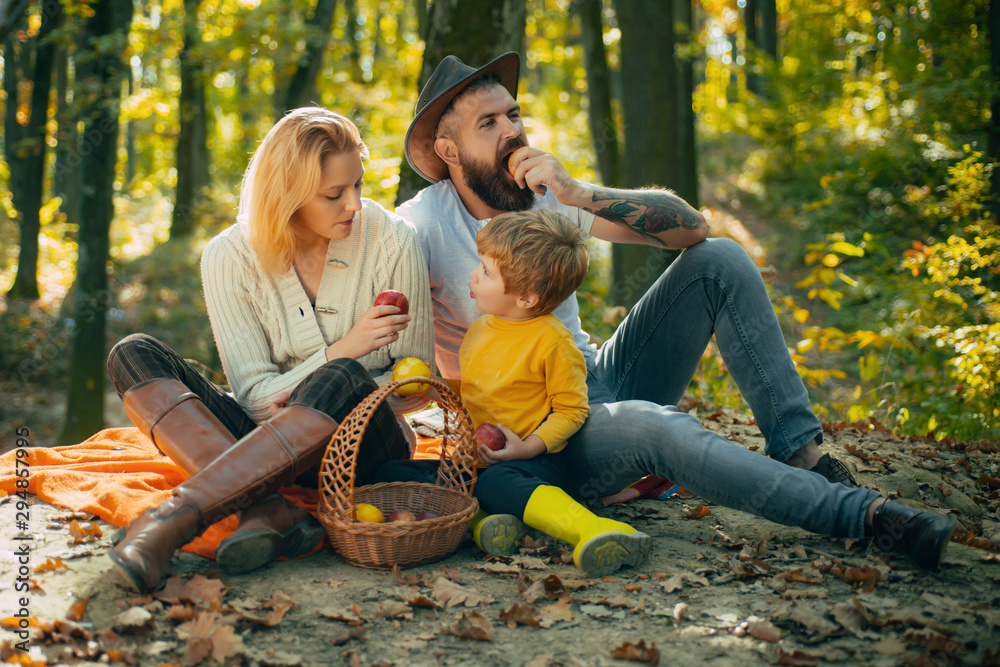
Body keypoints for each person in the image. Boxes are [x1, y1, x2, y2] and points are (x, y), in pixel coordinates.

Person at [394, 52, 957, 569]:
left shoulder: (546, 195)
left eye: (513, 115)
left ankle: (803, 456)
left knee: (721, 259)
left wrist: (581, 192)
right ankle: (866, 516)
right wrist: (461, 461)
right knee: (659, 429)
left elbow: (692, 229)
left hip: (592, 377)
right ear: (449, 151)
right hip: (541, 432)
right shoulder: (421, 228)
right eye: (488, 123)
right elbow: (411, 370)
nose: (512, 131)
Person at [106, 108, 433, 593]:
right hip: (263, 444)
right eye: (334, 195)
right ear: (288, 195)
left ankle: (169, 523)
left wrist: (337, 376)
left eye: (358, 186)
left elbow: (414, 388)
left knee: (343, 375)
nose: (355, 206)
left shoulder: (393, 243)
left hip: (364, 452)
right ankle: (266, 509)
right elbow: (255, 398)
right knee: (133, 352)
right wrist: (347, 348)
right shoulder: (229, 256)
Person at [379, 210, 651, 577]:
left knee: (497, 482)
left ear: (526, 297)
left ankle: (598, 530)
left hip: (532, 461)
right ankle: (484, 523)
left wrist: (528, 447)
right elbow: (478, 391)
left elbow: (572, 410)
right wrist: (439, 389)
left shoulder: (551, 341)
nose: (474, 275)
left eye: (487, 272)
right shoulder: (480, 329)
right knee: (393, 470)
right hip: (475, 460)